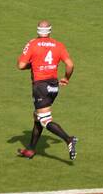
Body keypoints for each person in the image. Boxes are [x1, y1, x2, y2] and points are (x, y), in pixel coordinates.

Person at [16, 21, 77, 162]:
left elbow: (21, 65)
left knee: (44, 119)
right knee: (37, 116)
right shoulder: (58, 45)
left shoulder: (32, 44)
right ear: (50, 31)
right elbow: (70, 65)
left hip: (40, 86)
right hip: (53, 86)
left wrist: (32, 65)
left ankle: (69, 139)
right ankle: (30, 149)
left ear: (38, 31)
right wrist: (66, 78)